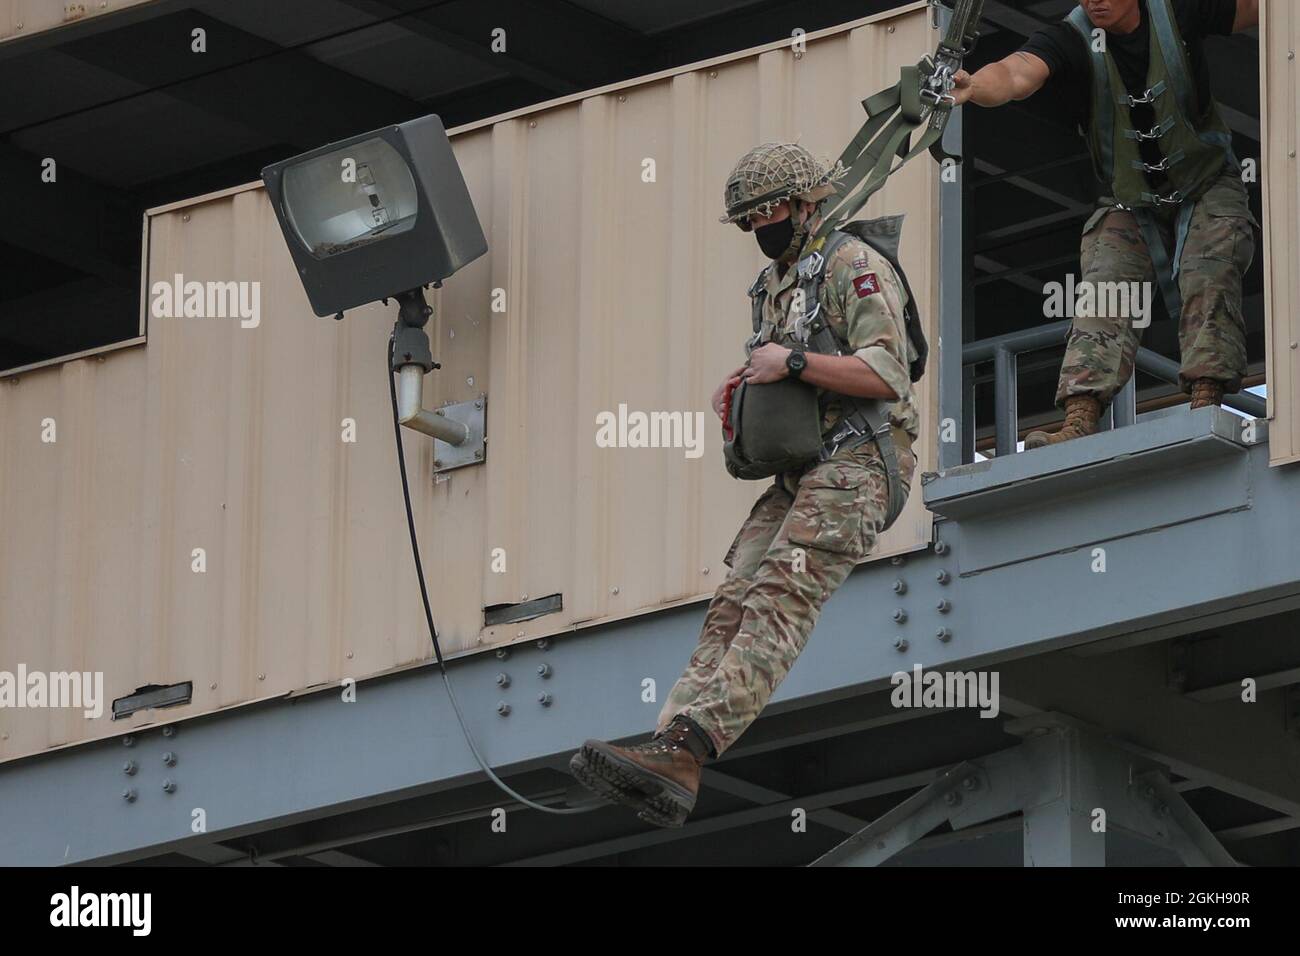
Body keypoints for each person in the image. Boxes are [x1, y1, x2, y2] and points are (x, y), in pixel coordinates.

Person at [568, 143, 920, 828]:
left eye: (771, 213)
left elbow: (887, 374)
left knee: (779, 599)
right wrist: (744, 394)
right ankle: (672, 746)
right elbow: (790, 380)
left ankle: (691, 746)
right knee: (733, 601)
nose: (762, 228)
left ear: (804, 203)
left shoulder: (853, 265)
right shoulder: (776, 286)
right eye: (750, 221)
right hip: (805, 469)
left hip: (859, 465)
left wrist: (789, 361)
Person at [951, 0, 1260, 447]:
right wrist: (975, 85)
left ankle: (1205, 402)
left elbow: (1266, 10)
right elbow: (1018, 73)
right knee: (1103, 286)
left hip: (1208, 180)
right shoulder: (1072, 37)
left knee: (1210, 268)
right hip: (1129, 201)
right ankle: (1079, 420)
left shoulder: (1180, 10)